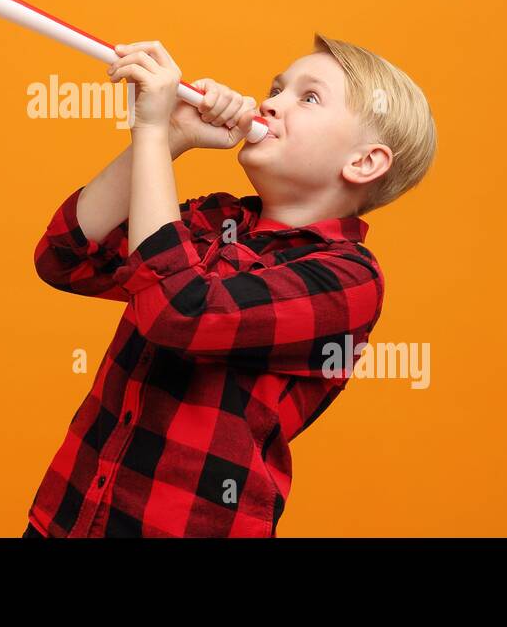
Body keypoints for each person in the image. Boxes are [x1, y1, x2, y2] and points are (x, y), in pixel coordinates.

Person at [22, 33, 437, 537]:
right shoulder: (216, 218)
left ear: (363, 162)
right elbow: (66, 258)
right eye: (276, 88)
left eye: (307, 98)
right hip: (69, 519)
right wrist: (169, 137)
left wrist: (152, 133)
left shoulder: (349, 279)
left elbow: (180, 313)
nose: (270, 102)